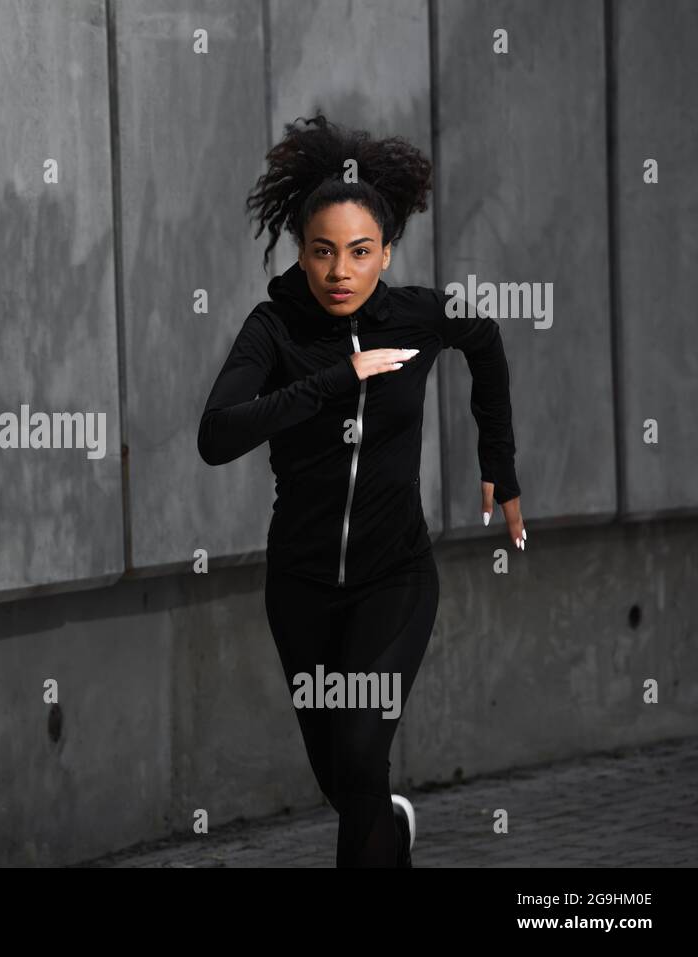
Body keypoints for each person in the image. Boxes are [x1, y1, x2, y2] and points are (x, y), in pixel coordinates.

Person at [196, 113, 526, 867]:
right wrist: (331, 380)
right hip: (302, 588)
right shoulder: (274, 329)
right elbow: (216, 434)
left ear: (385, 252)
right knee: (347, 782)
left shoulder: (416, 315)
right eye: (323, 252)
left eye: (360, 252)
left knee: (359, 753)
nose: (341, 271)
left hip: (394, 576)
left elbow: (487, 340)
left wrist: (498, 461)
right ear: (301, 254)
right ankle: (391, 829)